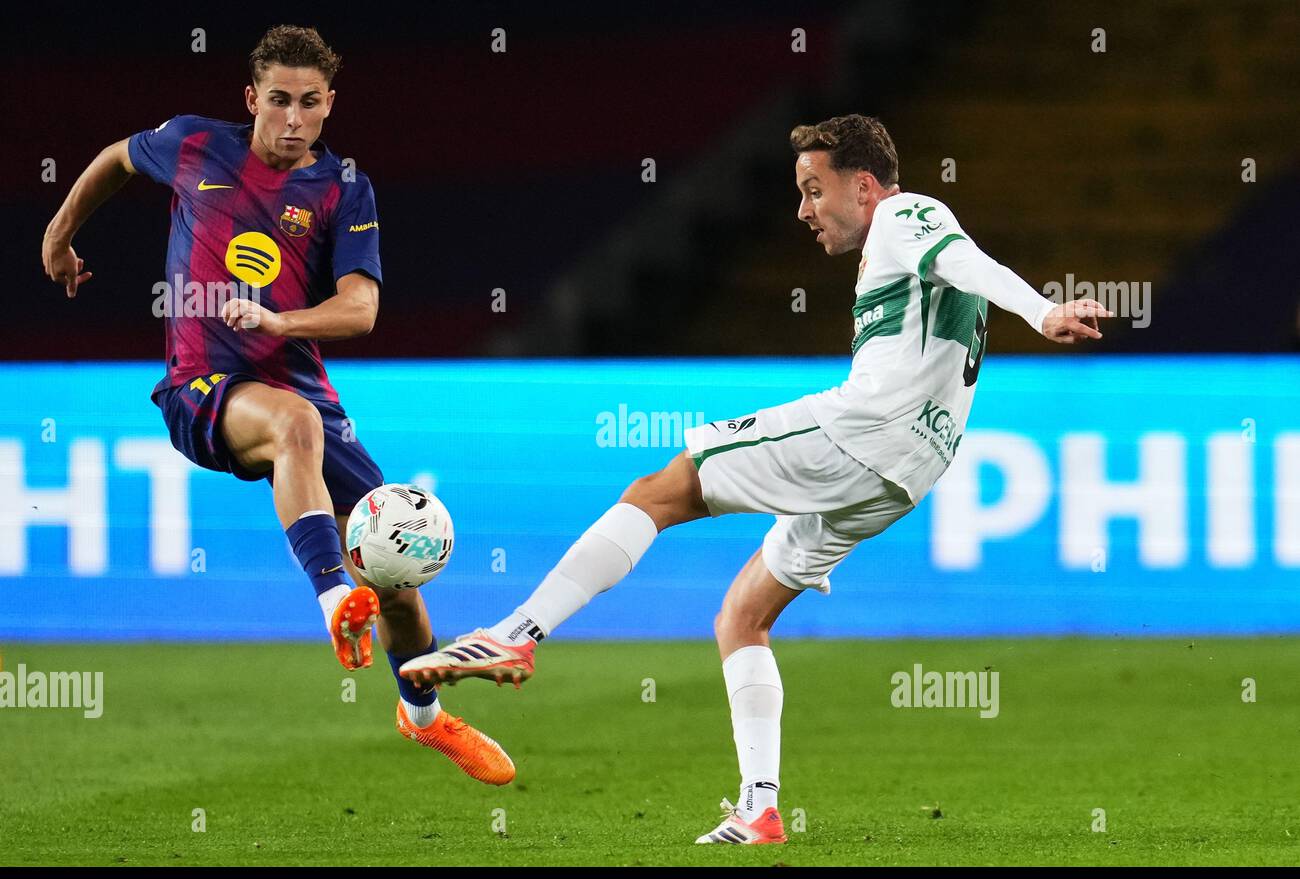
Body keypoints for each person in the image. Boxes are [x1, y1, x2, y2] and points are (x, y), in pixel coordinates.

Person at [401, 113, 1113, 837]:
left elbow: (969, 261)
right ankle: (761, 806)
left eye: (814, 190)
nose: (803, 210)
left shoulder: (905, 213)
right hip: (908, 473)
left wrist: (1043, 310)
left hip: (865, 431)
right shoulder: (896, 249)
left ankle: (517, 632)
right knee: (743, 616)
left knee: (660, 489)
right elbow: (957, 272)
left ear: (864, 186)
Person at [41, 24, 514, 786]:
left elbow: (361, 309)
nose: (295, 119)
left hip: (300, 388)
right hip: (200, 387)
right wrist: (59, 236)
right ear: (251, 98)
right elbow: (114, 160)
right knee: (294, 430)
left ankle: (423, 716)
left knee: (396, 570)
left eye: (312, 104)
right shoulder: (192, 145)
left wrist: (281, 321)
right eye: (281, 101)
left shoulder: (342, 189)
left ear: (331, 105)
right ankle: (332, 601)